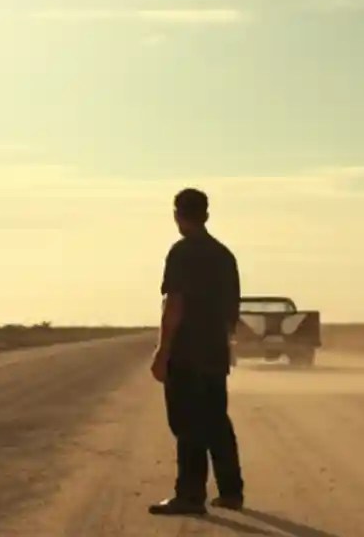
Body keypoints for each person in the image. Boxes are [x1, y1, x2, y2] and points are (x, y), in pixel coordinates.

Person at [148, 187, 245, 516]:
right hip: (215, 353)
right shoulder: (224, 255)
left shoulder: (181, 253)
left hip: (187, 354)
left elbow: (174, 304)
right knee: (216, 421)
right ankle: (231, 492)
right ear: (206, 214)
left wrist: (163, 352)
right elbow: (232, 312)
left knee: (187, 424)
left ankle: (189, 496)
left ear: (177, 214)